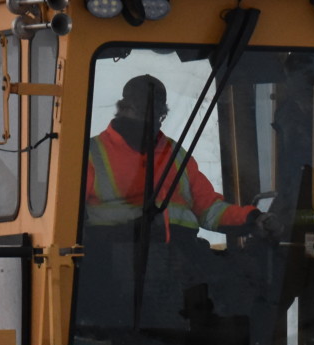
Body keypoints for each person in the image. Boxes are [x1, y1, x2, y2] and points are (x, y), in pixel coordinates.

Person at [83, 75, 256, 242]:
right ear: (124, 108)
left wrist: (251, 219)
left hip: (179, 262)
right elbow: (71, 217)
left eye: (157, 114)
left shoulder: (175, 154)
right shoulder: (92, 153)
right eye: (143, 111)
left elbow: (209, 209)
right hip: (117, 262)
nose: (150, 119)